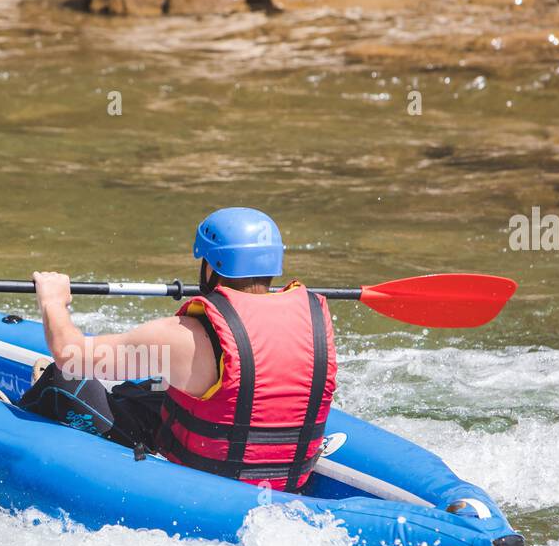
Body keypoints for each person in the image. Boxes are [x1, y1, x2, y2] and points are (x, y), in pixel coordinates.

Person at [21, 207, 337, 493]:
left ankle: (9, 407)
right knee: (155, 388)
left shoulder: (183, 337)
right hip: (282, 482)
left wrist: (53, 300)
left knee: (62, 379)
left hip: (195, 486)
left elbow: (69, 353)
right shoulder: (314, 320)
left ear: (211, 267)